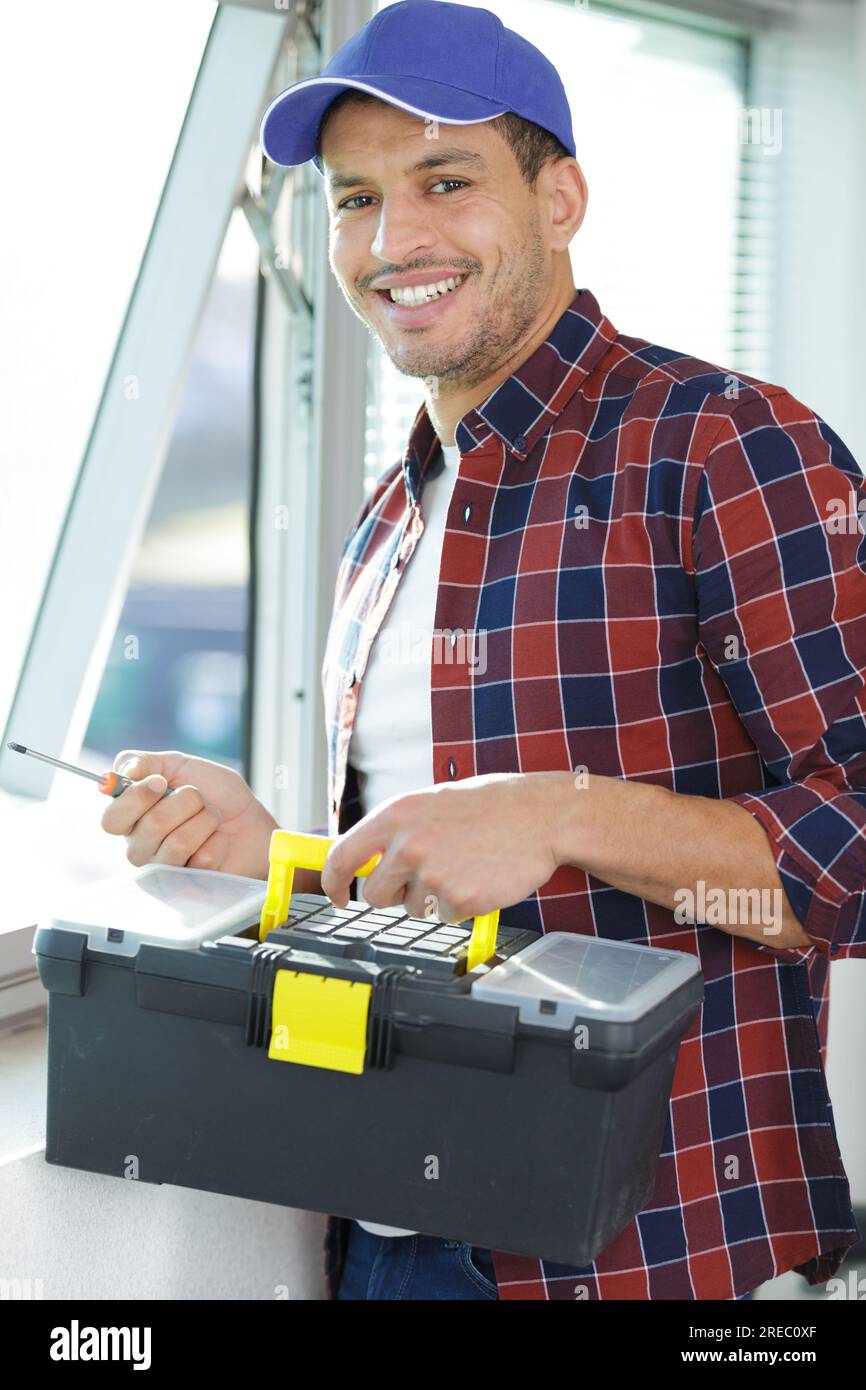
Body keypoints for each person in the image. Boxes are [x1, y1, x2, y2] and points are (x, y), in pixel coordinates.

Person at [101, 0, 866, 1301]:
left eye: (444, 181)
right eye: (354, 199)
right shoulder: (384, 521)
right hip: (388, 1229)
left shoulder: (722, 446)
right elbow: (437, 898)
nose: (393, 241)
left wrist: (557, 813)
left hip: (649, 1251)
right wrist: (274, 859)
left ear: (559, 196)